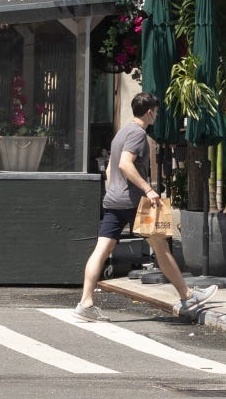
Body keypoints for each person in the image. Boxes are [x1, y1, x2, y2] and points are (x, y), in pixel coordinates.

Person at [75, 92, 216, 321]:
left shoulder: (120, 133)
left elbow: (111, 169)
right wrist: (148, 189)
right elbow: (124, 164)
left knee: (101, 250)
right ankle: (187, 295)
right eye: (157, 113)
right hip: (137, 202)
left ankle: (86, 302)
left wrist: (115, 191)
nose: (157, 117)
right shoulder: (138, 134)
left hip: (114, 200)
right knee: (162, 249)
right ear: (149, 112)